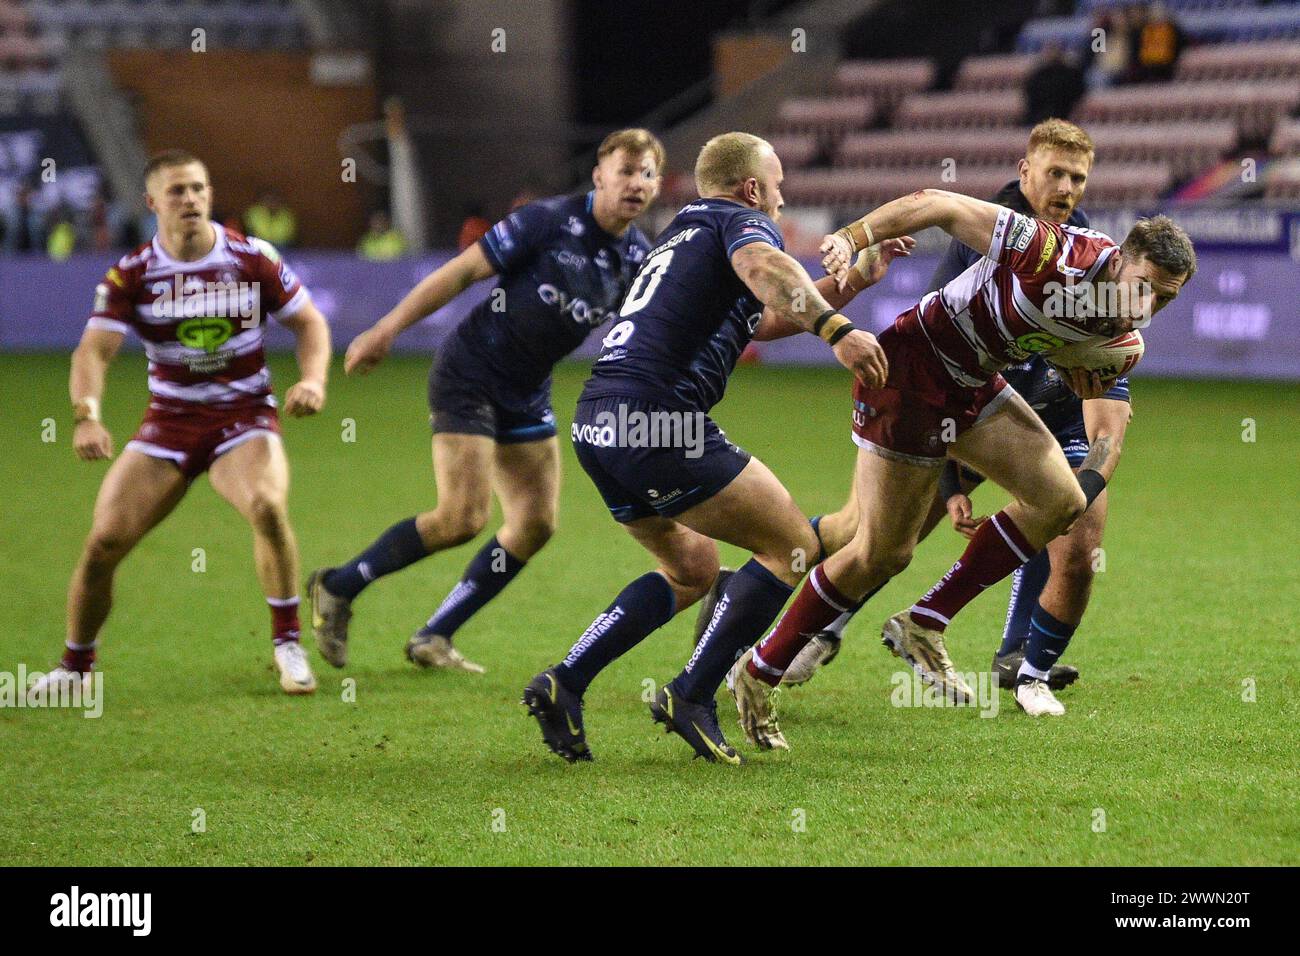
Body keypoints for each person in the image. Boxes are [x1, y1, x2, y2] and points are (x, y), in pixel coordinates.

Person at [729, 189, 1195, 750]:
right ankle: (758, 672)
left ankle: (924, 619)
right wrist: (852, 237)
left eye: (1164, 300)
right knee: (882, 552)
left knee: (1063, 501)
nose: (1147, 305)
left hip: (976, 385)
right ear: (1119, 261)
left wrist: (1077, 382)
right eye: (1144, 287)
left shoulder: (1121, 343)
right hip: (912, 368)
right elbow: (938, 205)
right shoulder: (1053, 252)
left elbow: (1099, 410)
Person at [520, 131, 908, 765]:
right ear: (752, 188)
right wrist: (839, 332)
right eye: (777, 186)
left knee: (692, 570)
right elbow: (765, 271)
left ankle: (566, 681)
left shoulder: (685, 235)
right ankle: (692, 695)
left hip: (598, 425)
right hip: (658, 422)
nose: (781, 200)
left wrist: (855, 282)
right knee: (793, 547)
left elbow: (764, 315)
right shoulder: (740, 221)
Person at [780, 120, 1134, 711]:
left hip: (1008, 403)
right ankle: (801, 621)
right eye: (1055, 173)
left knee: (1066, 514)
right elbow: (939, 338)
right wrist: (951, 481)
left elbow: (1094, 346)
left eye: (1078, 177)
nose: (1067, 187)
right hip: (943, 395)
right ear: (1025, 173)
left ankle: (1016, 657)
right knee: (882, 535)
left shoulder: (1087, 243)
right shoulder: (991, 230)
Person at [307, 129, 664, 674]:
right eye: (626, 172)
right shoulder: (546, 222)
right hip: (470, 372)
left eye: (647, 174)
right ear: (599, 175)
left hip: (528, 389)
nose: (635, 184)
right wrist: (386, 329)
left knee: (535, 523)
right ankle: (338, 584)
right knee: (461, 518)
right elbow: (462, 271)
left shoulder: (638, 255)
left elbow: (649, 332)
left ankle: (434, 634)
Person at [26, 150, 332, 700]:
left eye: (198, 188)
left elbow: (309, 323)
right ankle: (75, 670)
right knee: (103, 543)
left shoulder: (251, 256)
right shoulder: (133, 273)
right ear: (152, 202)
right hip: (168, 425)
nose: (190, 199)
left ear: (209, 194)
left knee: (266, 506)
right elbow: (93, 352)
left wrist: (313, 380)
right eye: (177, 191)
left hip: (243, 417)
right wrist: (86, 417)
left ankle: (288, 643)